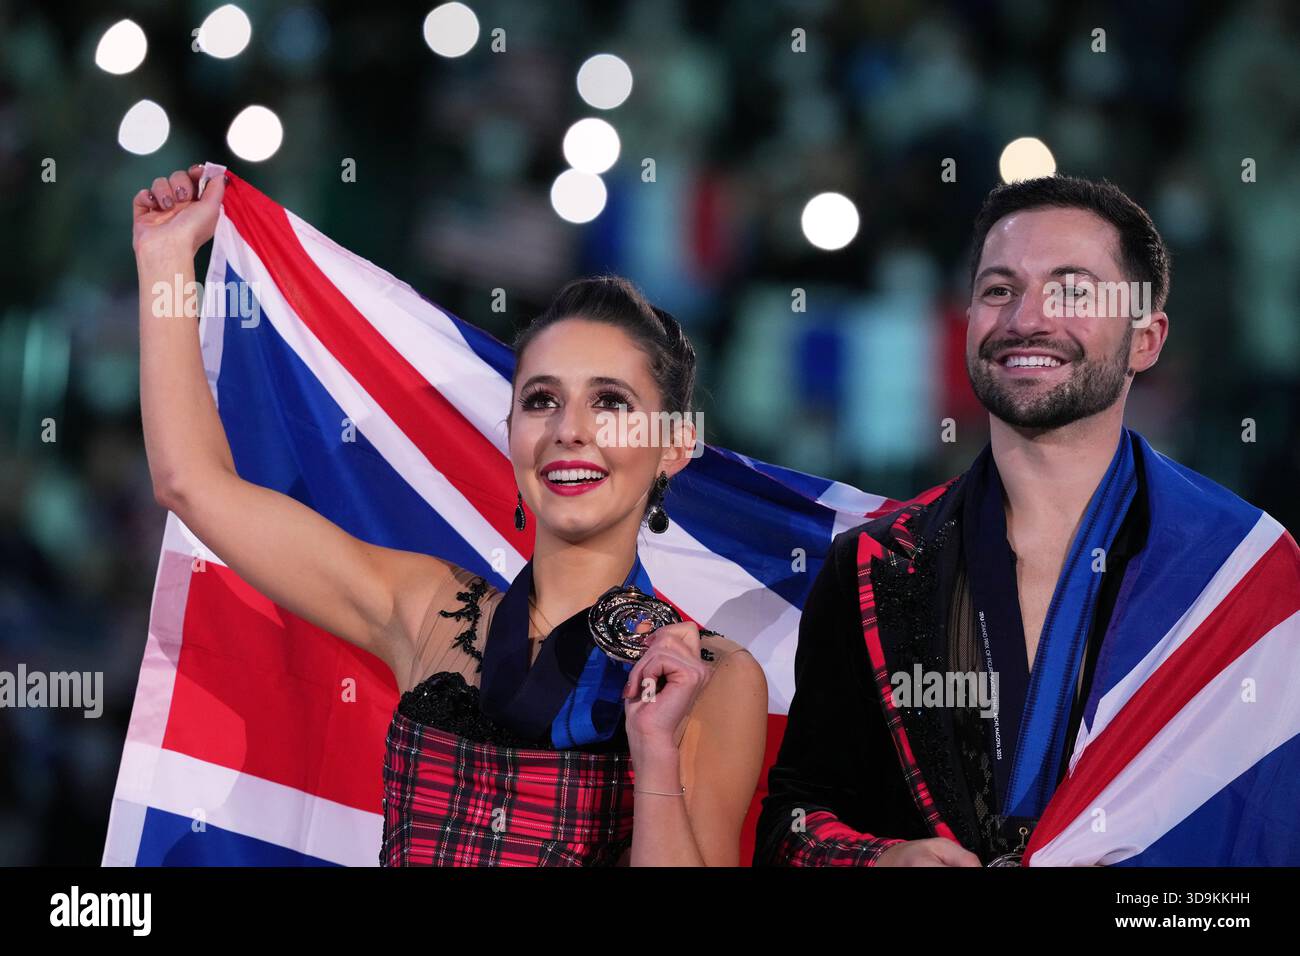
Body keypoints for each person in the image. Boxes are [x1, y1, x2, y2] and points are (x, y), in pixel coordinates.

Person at [133, 164, 768, 866]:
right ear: (512, 433)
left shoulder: (709, 673)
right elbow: (192, 484)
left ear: (674, 447)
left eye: (611, 402)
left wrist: (653, 753)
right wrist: (165, 260)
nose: (569, 429)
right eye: (541, 400)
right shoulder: (425, 608)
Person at [754, 175, 1300, 867]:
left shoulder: (1244, 572)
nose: (1026, 319)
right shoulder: (871, 566)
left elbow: (1274, 836)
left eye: (1072, 290)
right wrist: (876, 860)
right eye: (999, 289)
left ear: (1146, 340)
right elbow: (793, 820)